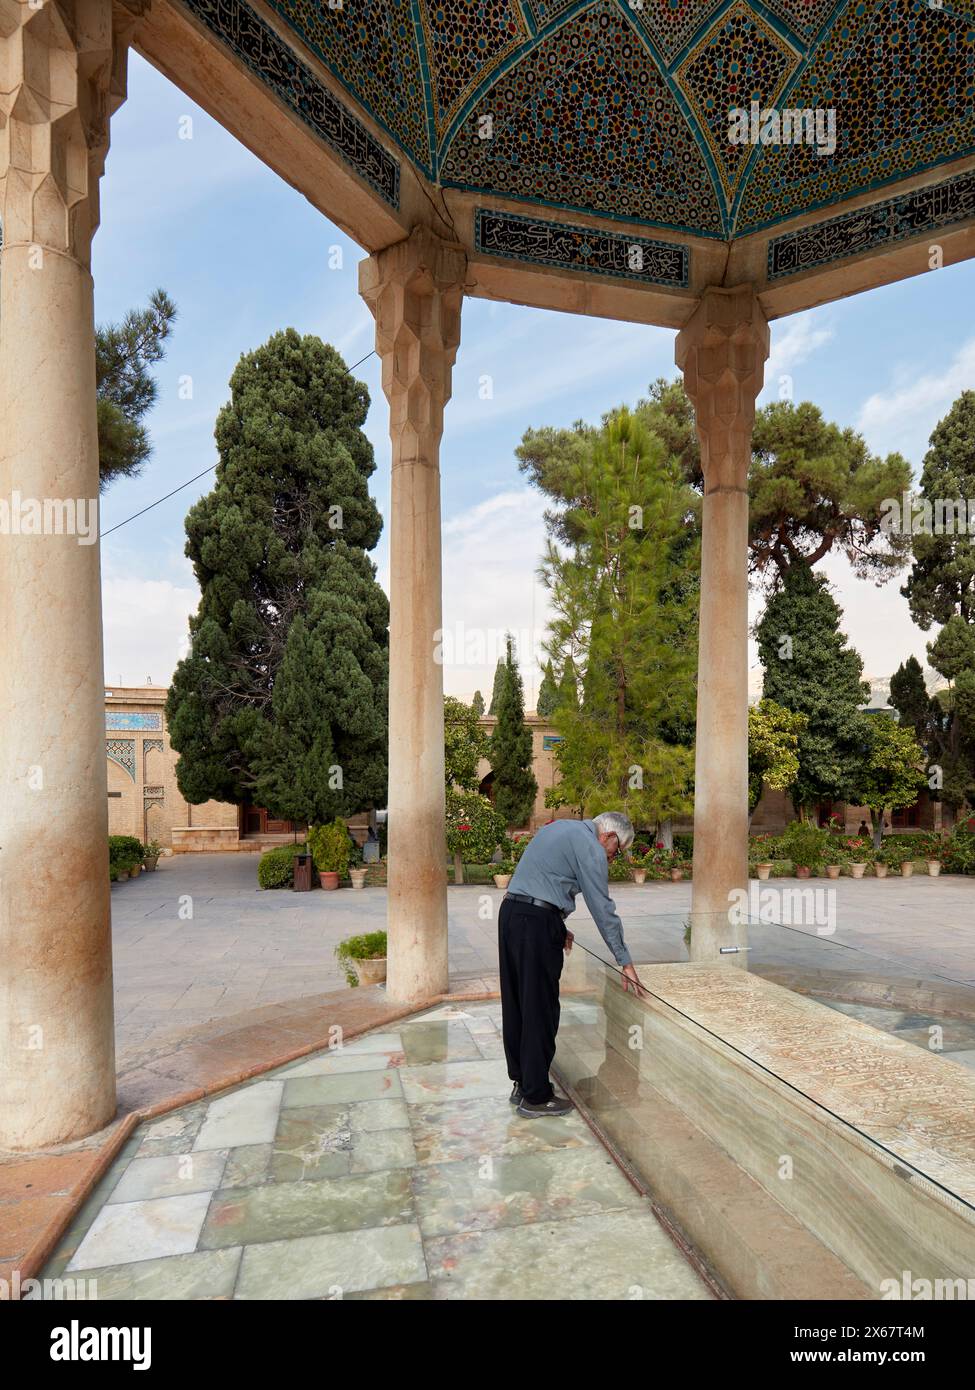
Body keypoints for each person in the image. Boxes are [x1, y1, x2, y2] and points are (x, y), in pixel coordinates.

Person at [498, 811, 642, 1119]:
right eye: (616, 852)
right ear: (610, 837)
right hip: (534, 923)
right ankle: (536, 1097)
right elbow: (602, 907)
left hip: (511, 912)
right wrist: (624, 960)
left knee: (518, 1004)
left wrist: (557, 926)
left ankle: (523, 1083)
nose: (612, 858)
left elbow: (544, 880)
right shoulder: (590, 846)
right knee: (541, 1009)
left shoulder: (562, 827)